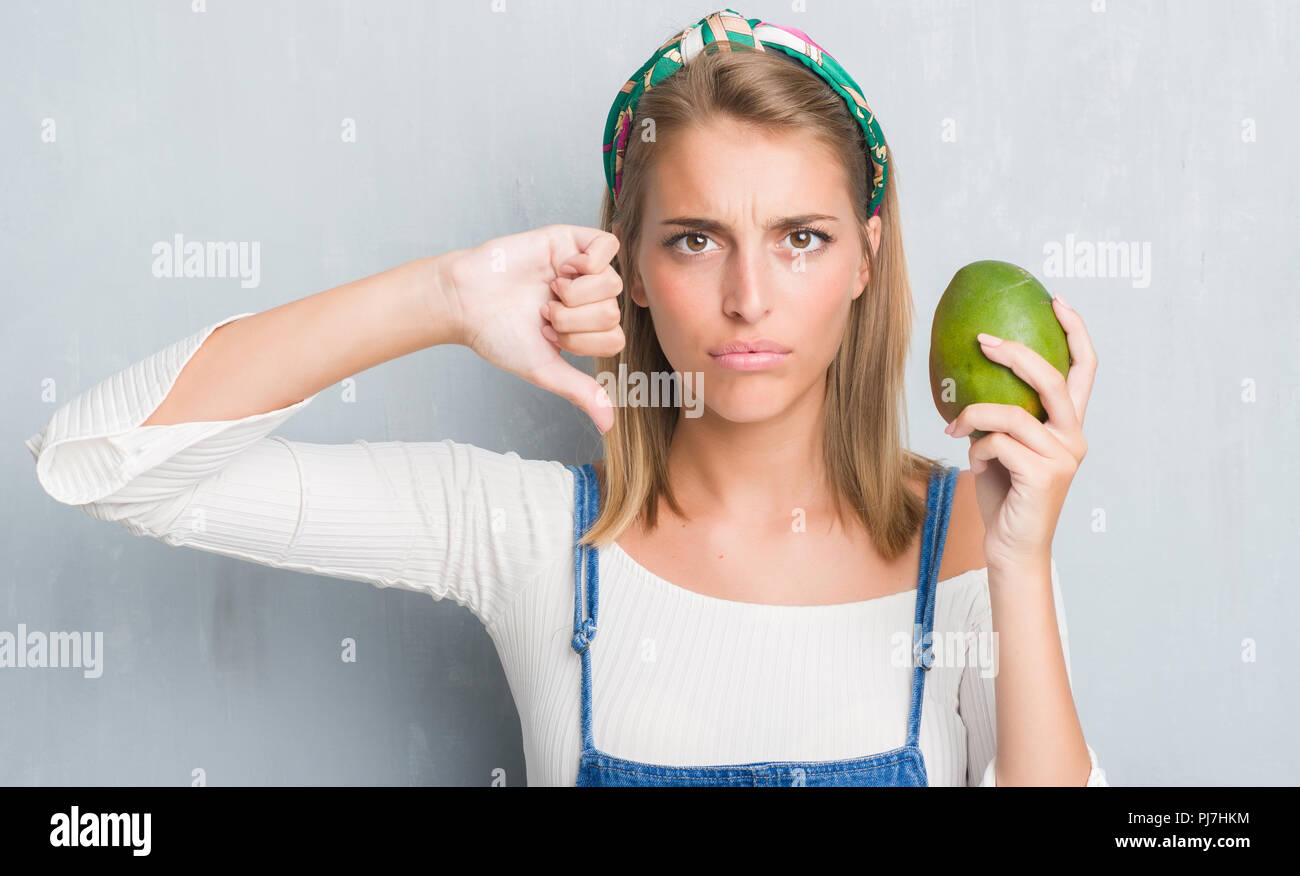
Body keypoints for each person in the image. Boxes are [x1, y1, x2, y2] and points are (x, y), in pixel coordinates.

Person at [26, 8, 1106, 786]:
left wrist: (1021, 567)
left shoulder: (973, 540)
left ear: (865, 261)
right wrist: (441, 295)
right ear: (630, 264)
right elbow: (102, 463)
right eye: (694, 239)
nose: (746, 298)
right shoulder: (532, 538)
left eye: (801, 239)